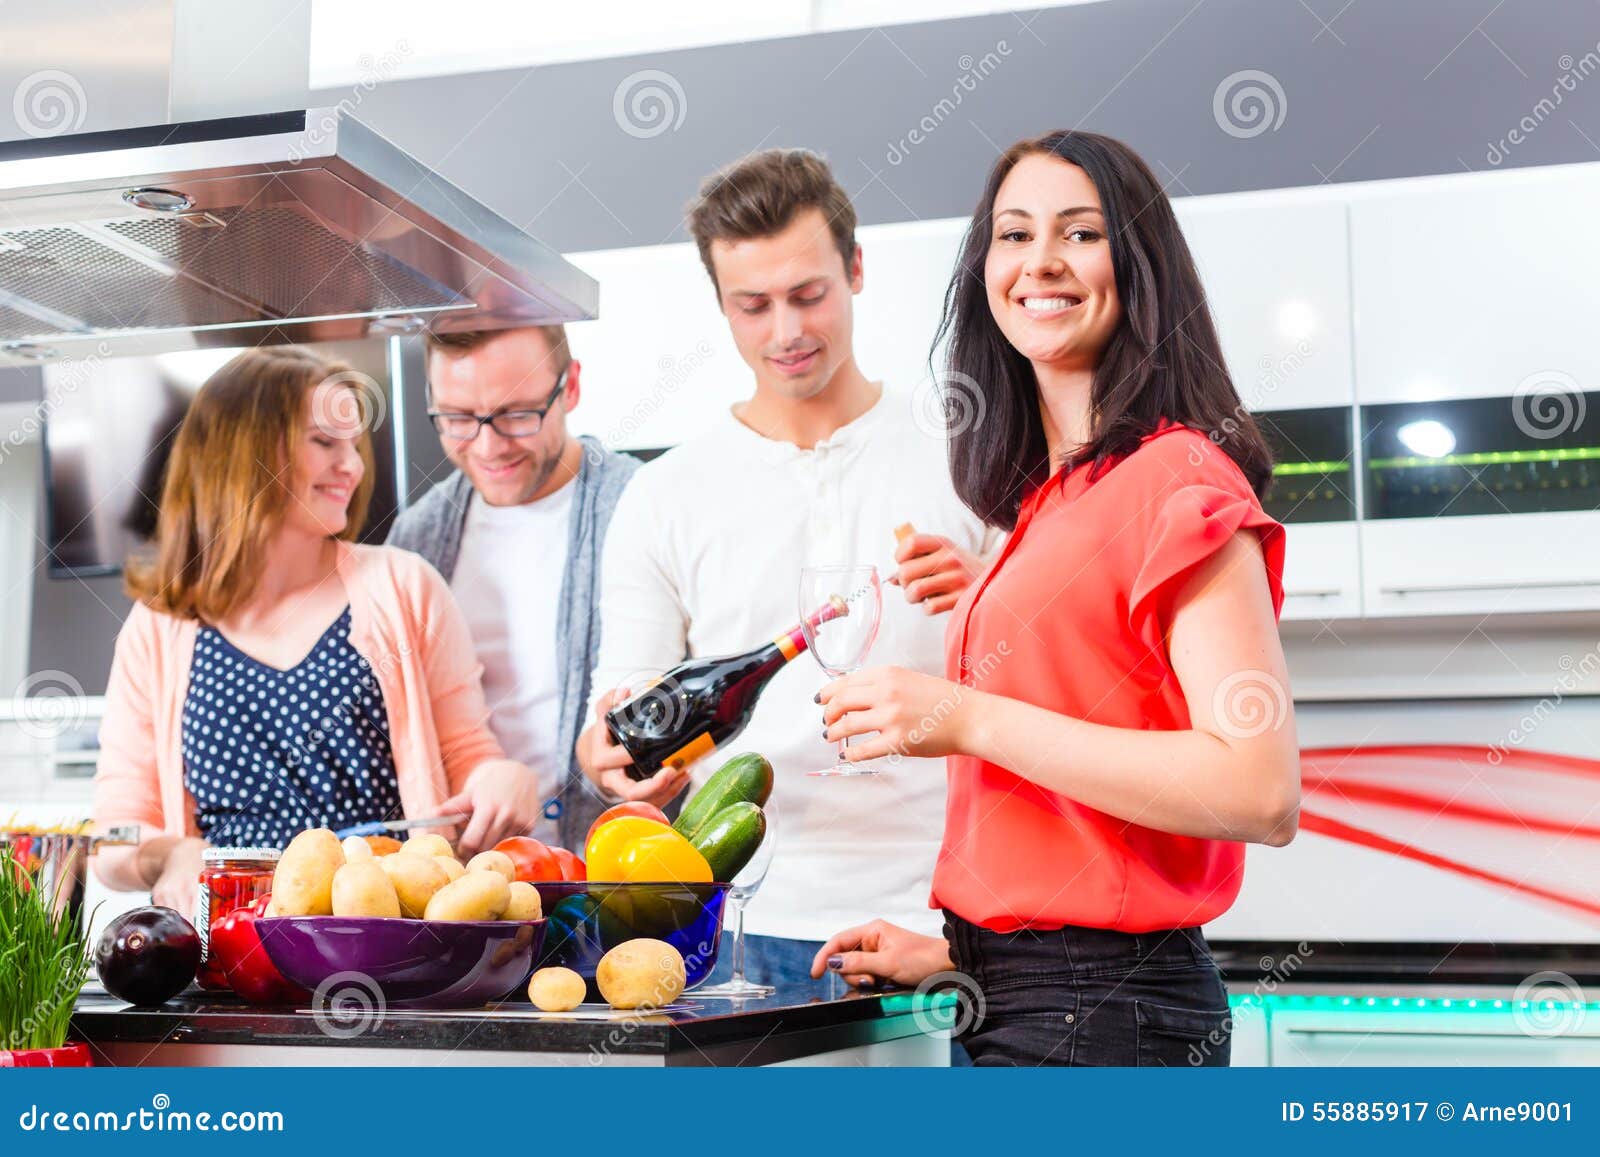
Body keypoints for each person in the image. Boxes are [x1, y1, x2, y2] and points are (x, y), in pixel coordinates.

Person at [809, 130, 1302, 1066]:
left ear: (1140, 263)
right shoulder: (1053, 499)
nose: (1039, 261)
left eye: (1080, 233)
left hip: (1101, 1016)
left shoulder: (1177, 475)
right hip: (1025, 999)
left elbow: (1260, 788)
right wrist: (963, 953)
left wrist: (965, 716)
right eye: (1012, 234)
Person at [576, 148, 1001, 988]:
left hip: (955, 924)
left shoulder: (971, 455)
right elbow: (627, 702)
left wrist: (990, 590)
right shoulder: (665, 495)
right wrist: (612, 758)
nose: (787, 332)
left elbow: (1062, 678)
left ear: (855, 269)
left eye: (809, 295)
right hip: (747, 931)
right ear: (722, 308)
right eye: (754, 305)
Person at [92, 347, 543, 917]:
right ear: (245, 455)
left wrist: (502, 777)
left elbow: (469, 755)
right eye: (325, 442)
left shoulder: (404, 587)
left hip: (386, 939)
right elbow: (114, 839)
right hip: (233, 949)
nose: (352, 466)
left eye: (354, 445)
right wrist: (172, 855)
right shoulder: (158, 627)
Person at [387, 326, 638, 852]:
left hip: (617, 877)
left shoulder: (639, 507)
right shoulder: (417, 539)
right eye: (457, 419)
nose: (488, 445)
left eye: (517, 414)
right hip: (466, 885)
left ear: (570, 386)